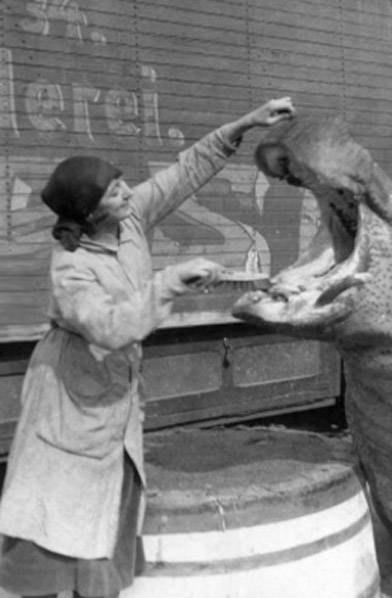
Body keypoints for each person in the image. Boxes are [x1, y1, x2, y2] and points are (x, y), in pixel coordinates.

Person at [0, 97, 295, 598]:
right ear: (89, 212)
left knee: (105, 501)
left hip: (112, 387)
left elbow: (186, 171)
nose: (125, 191)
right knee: (58, 510)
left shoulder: (129, 216)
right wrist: (168, 283)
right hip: (71, 390)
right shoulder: (71, 268)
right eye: (113, 190)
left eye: (121, 181)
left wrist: (244, 122)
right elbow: (110, 328)